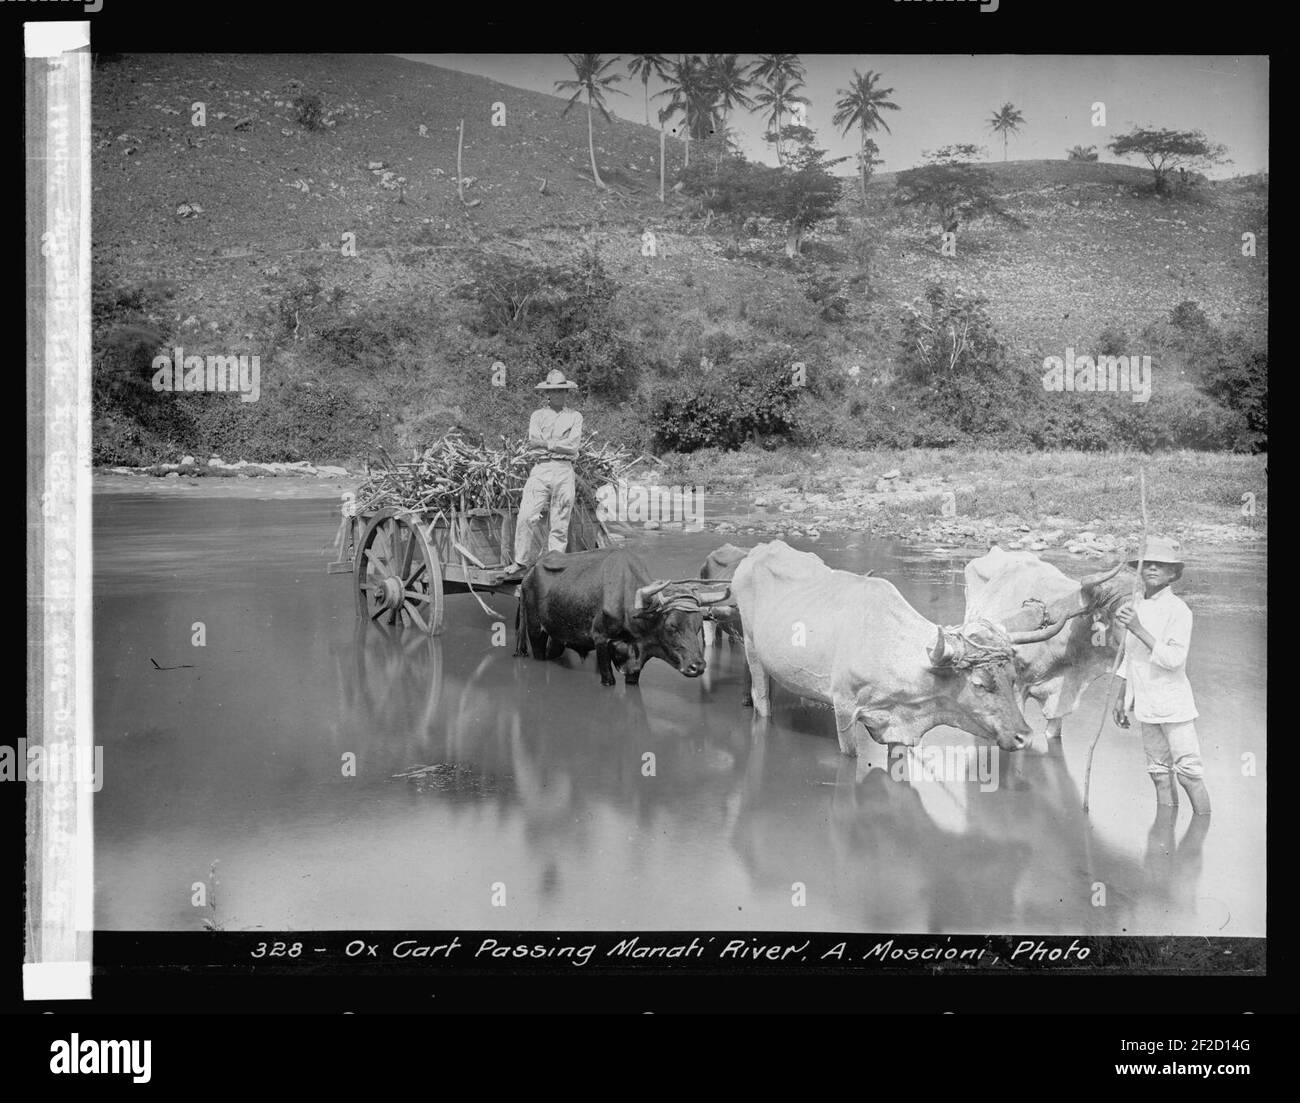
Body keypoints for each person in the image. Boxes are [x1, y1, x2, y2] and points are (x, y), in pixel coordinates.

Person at [1112, 537, 1211, 814]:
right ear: (1139, 570)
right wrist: (1122, 698)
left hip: (1173, 706)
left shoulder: (1179, 610)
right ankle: (1164, 836)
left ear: (1173, 574)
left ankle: (1200, 831)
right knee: (1157, 773)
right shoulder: (1135, 604)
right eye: (1148, 564)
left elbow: (1174, 660)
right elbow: (1130, 657)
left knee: (1189, 773)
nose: (1153, 568)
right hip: (1145, 704)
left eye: (1161, 565)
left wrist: (1138, 628)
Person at [502, 369, 582, 577]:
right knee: (527, 515)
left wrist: (547, 444)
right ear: (547, 393)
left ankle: (554, 564)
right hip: (542, 468)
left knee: (560, 518)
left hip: (564, 470)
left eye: (561, 390)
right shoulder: (537, 416)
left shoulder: (575, 416)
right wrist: (558, 444)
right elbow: (533, 443)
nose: (558, 394)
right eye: (554, 391)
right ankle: (521, 561)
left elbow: (573, 446)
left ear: (566, 393)